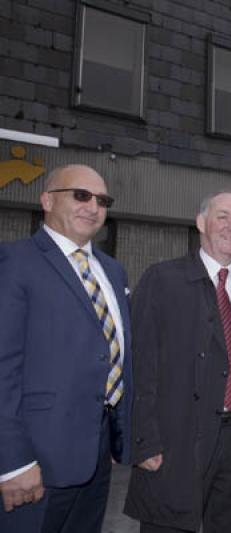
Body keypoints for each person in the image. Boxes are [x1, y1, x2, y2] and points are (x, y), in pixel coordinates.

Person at [123, 191, 231, 533]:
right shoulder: (162, 280)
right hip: (175, 439)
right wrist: (143, 439)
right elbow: (139, 365)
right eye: (223, 217)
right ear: (201, 222)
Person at [0, 164, 133, 533]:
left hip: (95, 457)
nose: (93, 206)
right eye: (80, 195)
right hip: (34, 465)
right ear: (46, 200)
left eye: (102, 200)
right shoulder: (14, 261)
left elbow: (112, 355)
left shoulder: (113, 271)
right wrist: (12, 462)